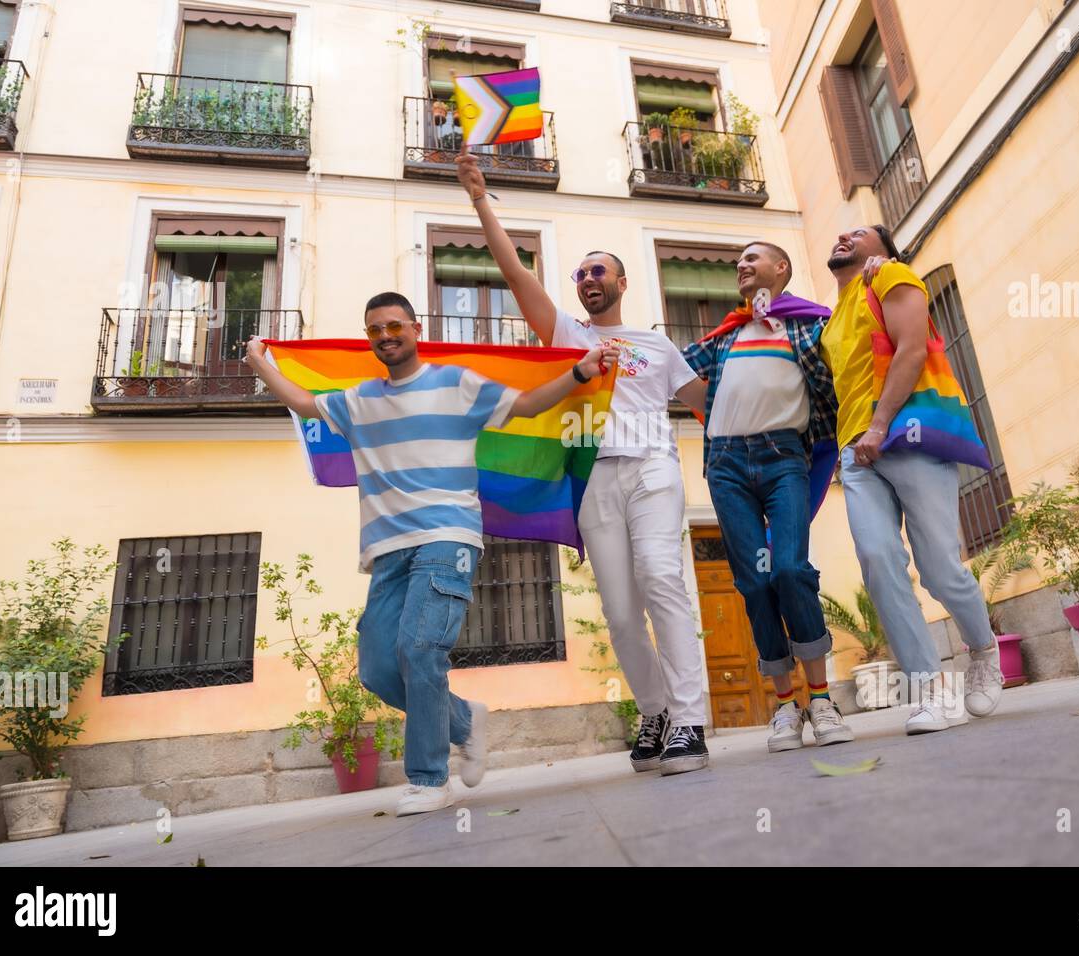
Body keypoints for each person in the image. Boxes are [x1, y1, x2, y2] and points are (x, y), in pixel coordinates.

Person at [245, 291, 618, 812]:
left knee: (420, 649)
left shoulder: (455, 384)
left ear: (415, 329)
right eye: (375, 329)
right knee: (377, 669)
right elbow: (304, 402)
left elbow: (526, 405)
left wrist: (579, 373)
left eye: (395, 325)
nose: (386, 335)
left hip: (448, 537)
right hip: (387, 550)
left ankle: (427, 779)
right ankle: (463, 720)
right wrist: (261, 365)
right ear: (369, 337)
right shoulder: (358, 401)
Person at [455, 147, 712, 775]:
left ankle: (691, 723)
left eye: (600, 271)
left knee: (661, 580)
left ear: (622, 283)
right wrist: (480, 198)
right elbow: (515, 274)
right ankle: (654, 712)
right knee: (620, 612)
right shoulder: (569, 337)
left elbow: (714, 408)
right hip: (594, 481)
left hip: (653, 470)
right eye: (581, 275)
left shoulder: (658, 344)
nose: (589, 280)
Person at [822, 226, 1003, 734]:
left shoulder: (894, 276)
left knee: (940, 567)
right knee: (879, 562)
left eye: (857, 234)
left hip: (907, 432)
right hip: (855, 452)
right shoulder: (831, 319)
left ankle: (984, 652)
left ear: (882, 251)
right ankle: (932, 690)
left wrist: (880, 424)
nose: (842, 235)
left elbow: (912, 349)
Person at [683, 242, 853, 753]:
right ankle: (785, 705)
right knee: (754, 583)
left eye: (752, 258)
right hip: (726, 465)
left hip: (784, 459)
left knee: (790, 571)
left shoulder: (808, 325)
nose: (741, 265)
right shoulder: (726, 334)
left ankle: (820, 699)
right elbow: (671, 376)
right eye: (737, 260)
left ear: (781, 269)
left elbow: (851, 350)